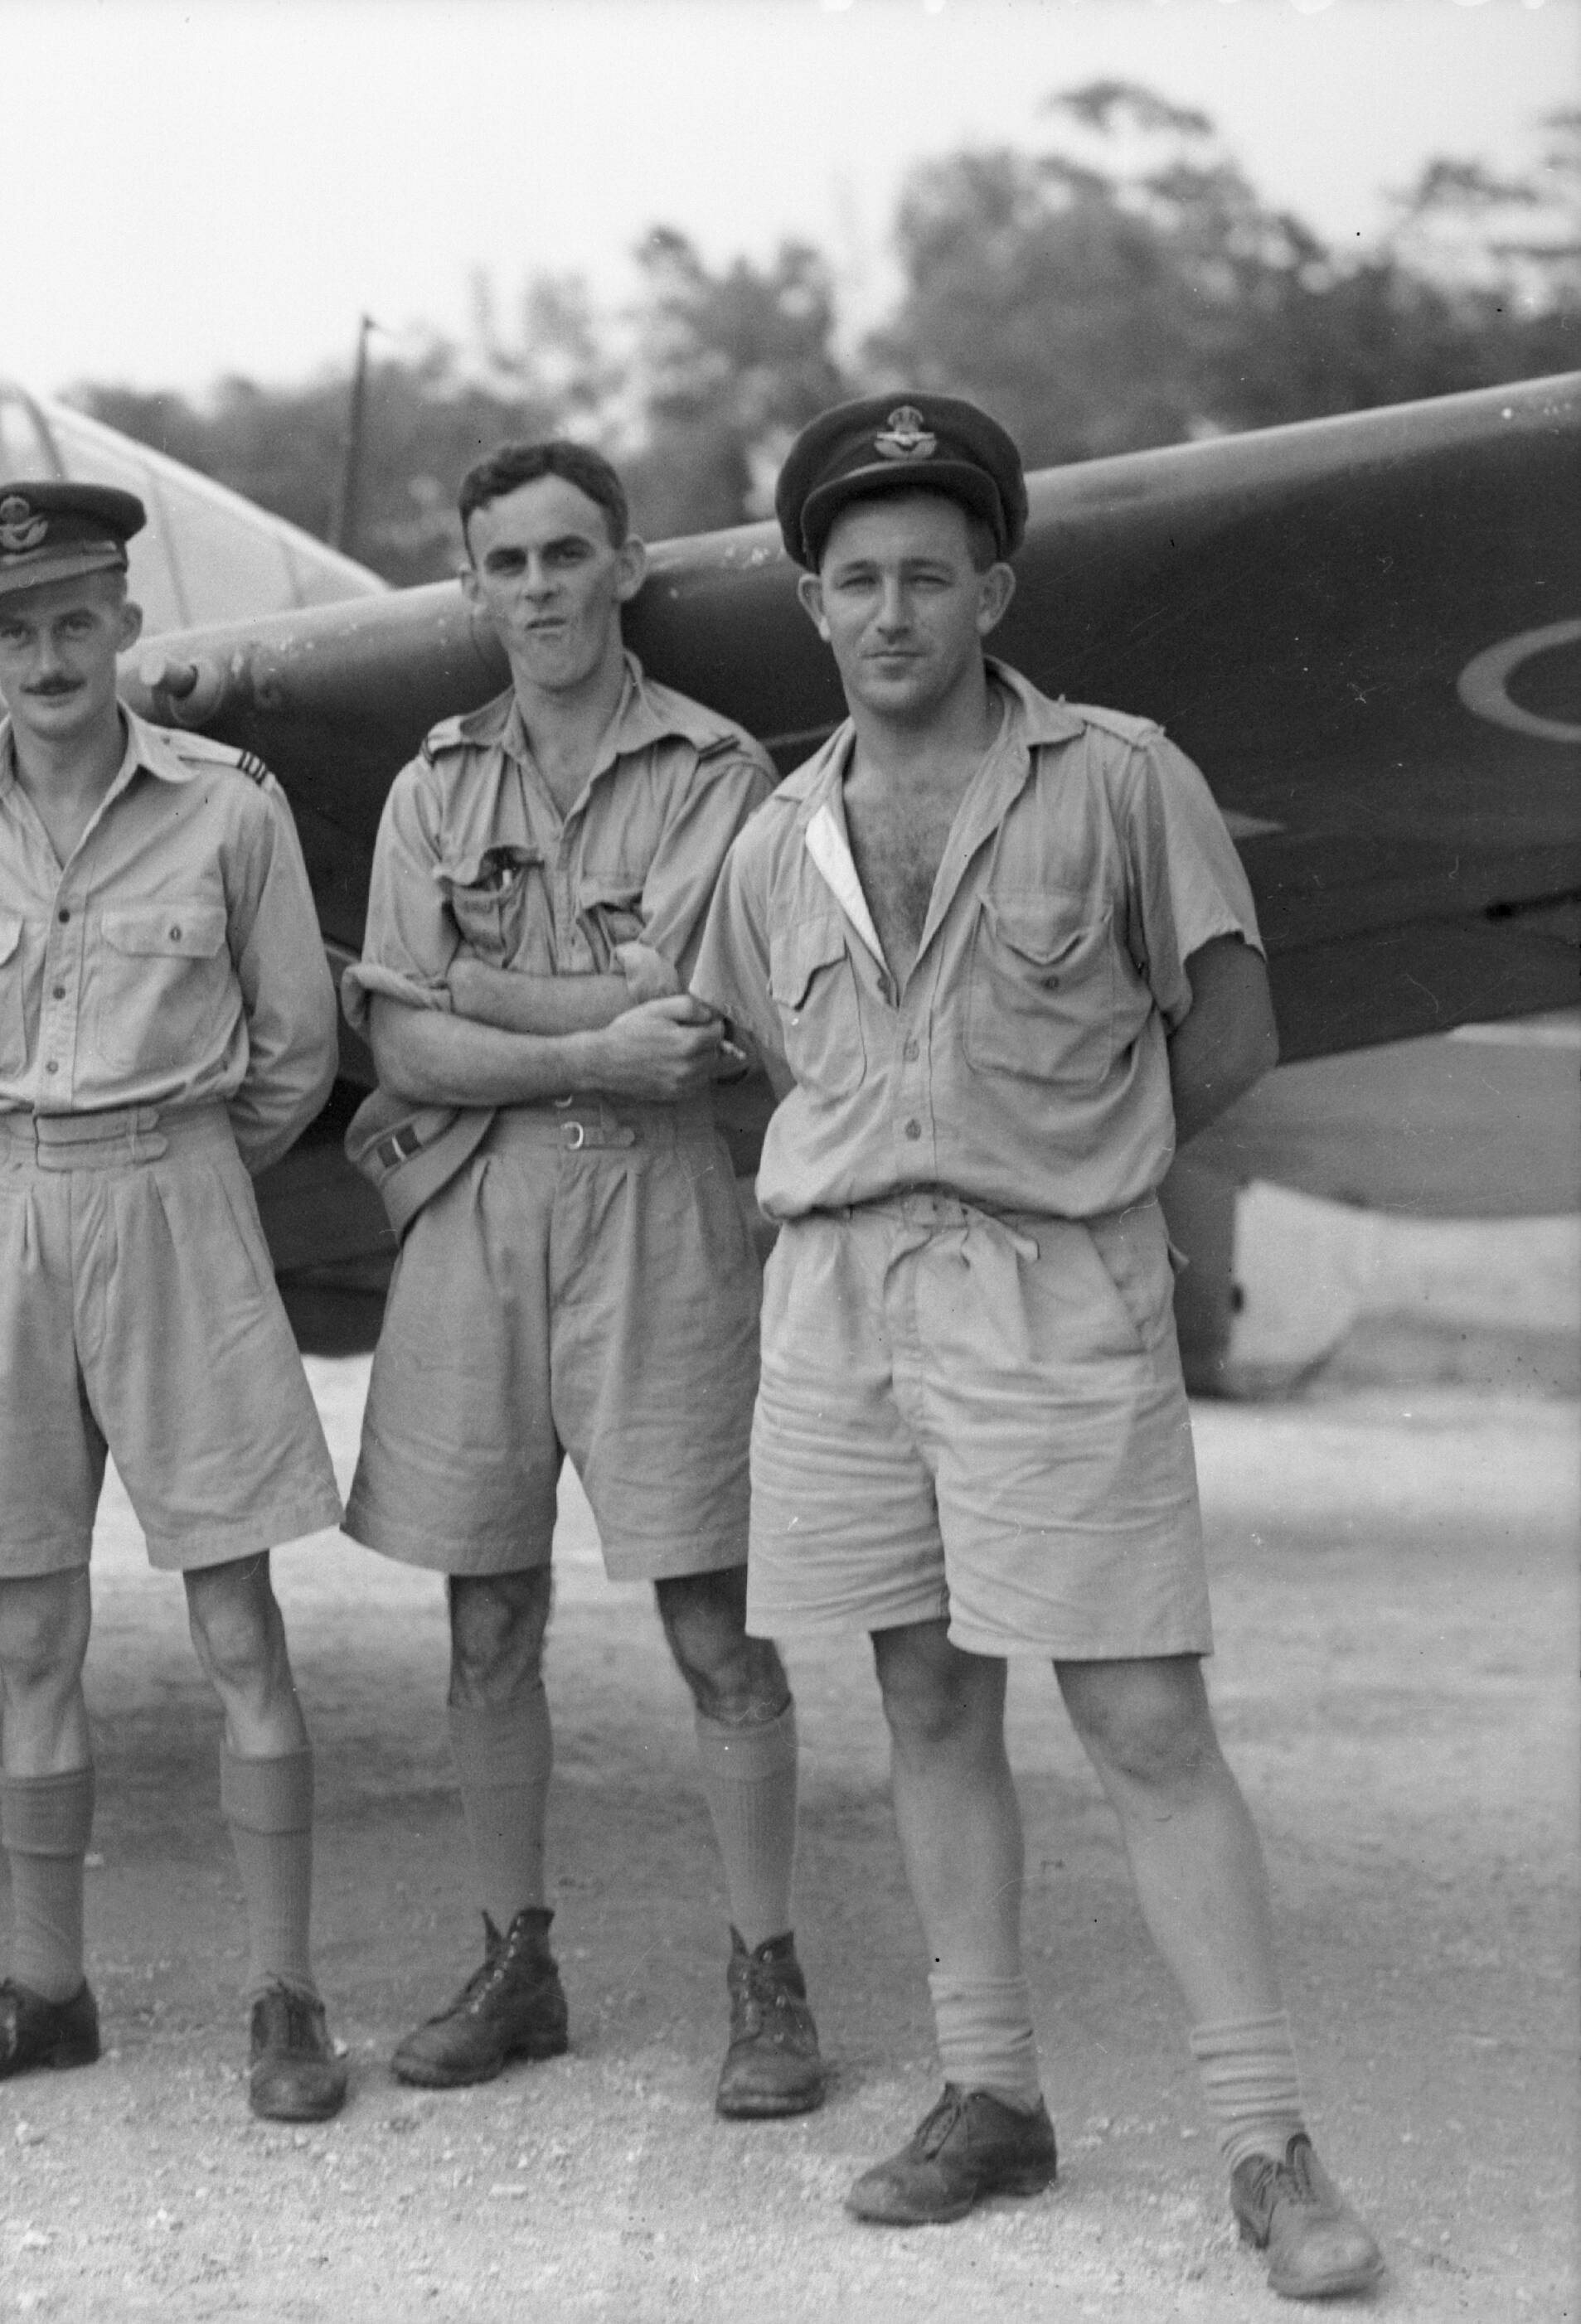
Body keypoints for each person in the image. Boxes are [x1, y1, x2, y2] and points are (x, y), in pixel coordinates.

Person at [691, 392, 1384, 2299]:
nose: (891, 611)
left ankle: (1267, 2145)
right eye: (855, 580)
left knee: (1143, 1719)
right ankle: (988, 2090)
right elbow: (774, 1054)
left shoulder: (1118, 779)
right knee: (922, 1695)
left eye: (929, 575)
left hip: (1049, 1292)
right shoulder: (771, 841)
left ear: (991, 589)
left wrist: (1082, 1174)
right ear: (811, 604)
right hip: (845, 1307)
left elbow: (1228, 1028)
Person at [0, 482, 350, 2124]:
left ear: (128, 623)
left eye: (76, 620)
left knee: (234, 1617)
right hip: (6, 1211)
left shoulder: (227, 808)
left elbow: (297, 1047)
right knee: (29, 1634)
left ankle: (285, 1993)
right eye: (13, 629)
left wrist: (167, 1160)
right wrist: (21, 1157)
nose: (48, 656)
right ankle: (46, 1986)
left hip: (177, 1202)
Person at [337, 440, 822, 2118]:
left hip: (655, 1209)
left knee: (712, 1616)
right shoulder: (431, 787)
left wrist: (483, 995)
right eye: (507, 562)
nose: (538, 588)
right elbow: (397, 1042)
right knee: (485, 1609)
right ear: (471, 586)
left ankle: (767, 1973)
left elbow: (693, 1016)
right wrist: (584, 1034)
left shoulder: (712, 766)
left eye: (566, 554)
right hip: (474, 1211)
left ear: (625, 565)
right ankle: (513, 1959)